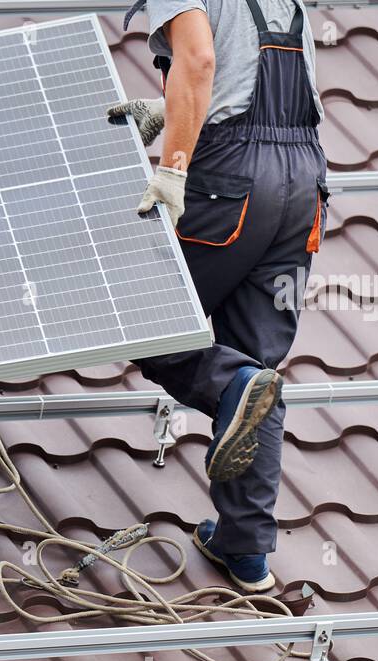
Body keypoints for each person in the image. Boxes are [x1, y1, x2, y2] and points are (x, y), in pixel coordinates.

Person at [109, 0, 328, 592]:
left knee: (146, 321)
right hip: (303, 182)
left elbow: (200, 58)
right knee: (256, 373)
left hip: (231, 178)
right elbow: (254, 77)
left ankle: (230, 386)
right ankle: (246, 549)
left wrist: (174, 165)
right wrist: (172, 107)